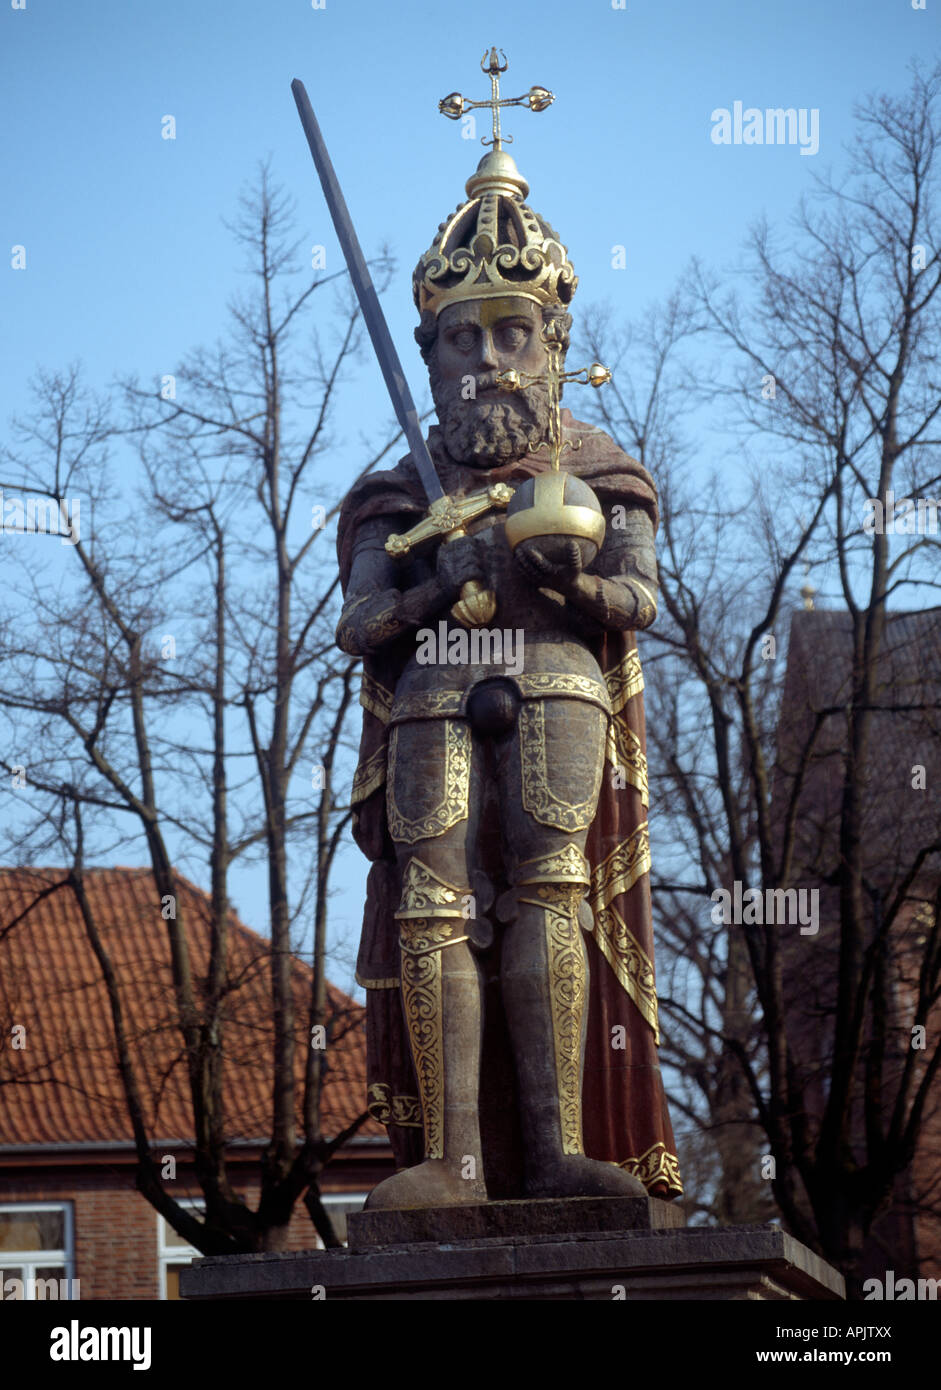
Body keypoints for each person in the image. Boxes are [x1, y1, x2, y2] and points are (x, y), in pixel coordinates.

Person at [336, 138, 681, 1209]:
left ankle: (557, 1150)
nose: (486, 357)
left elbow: (637, 598)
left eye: (511, 332)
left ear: (554, 344)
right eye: (461, 337)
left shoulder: (599, 471)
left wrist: (563, 579)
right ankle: (454, 1162)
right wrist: (433, 586)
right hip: (437, 686)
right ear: (429, 353)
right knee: (433, 905)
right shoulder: (398, 491)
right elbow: (358, 624)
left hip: (555, 680)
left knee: (549, 893)